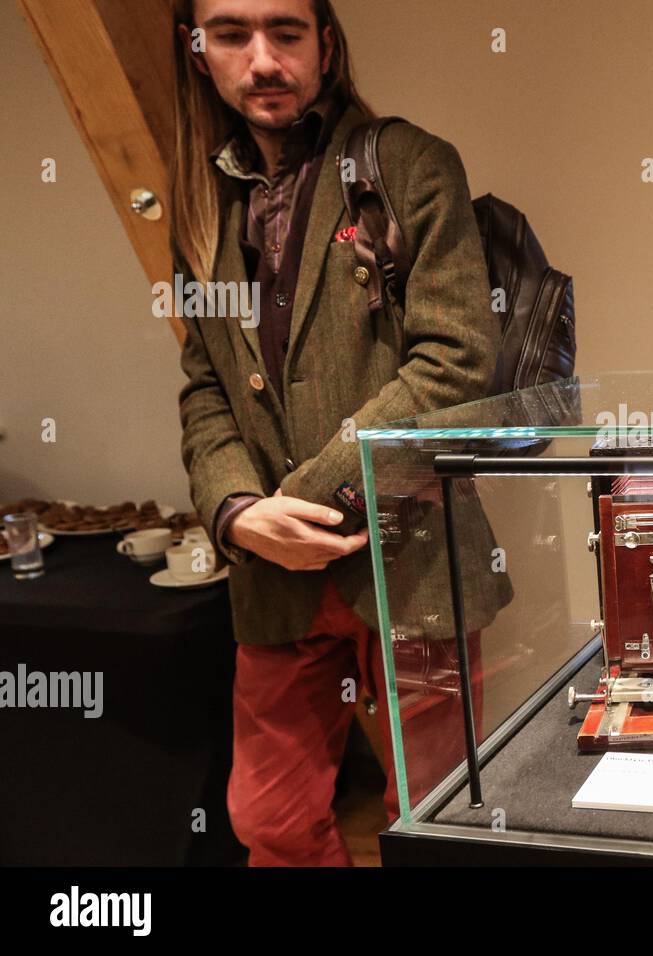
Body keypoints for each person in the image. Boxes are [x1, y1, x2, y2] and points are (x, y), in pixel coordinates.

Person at [170, 0, 511, 865]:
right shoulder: (199, 202)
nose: (262, 60)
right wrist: (237, 514)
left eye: (285, 32)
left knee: (434, 817)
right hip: (271, 577)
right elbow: (206, 384)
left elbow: (456, 363)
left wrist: (299, 504)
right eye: (232, 35)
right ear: (197, 48)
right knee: (267, 820)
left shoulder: (410, 165)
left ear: (326, 41)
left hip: (412, 552)